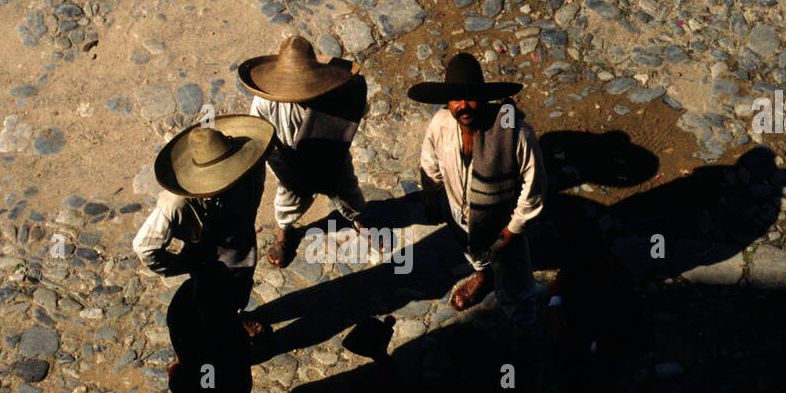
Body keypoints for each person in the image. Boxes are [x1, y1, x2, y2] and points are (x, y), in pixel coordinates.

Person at [409, 53, 546, 323]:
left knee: (514, 275)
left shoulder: (515, 133)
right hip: (458, 214)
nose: (463, 106)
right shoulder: (440, 124)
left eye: (470, 97)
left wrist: (513, 228)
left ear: (483, 98)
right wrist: (432, 199)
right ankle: (483, 276)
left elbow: (534, 187)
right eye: (456, 99)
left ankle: (521, 323)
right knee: (473, 253)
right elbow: (430, 163)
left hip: (501, 222)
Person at [238, 36, 376, 267]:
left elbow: (354, 111)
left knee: (347, 189)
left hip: (332, 155)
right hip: (289, 163)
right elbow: (259, 134)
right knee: (287, 200)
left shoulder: (337, 91)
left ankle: (359, 220)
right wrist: (281, 167)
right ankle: (284, 233)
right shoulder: (265, 102)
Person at [132, 115, 273, 337]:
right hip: (206, 262)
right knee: (212, 305)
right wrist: (181, 264)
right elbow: (145, 247)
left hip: (243, 248)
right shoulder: (176, 203)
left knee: (238, 291)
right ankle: (225, 333)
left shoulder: (250, 164)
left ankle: (233, 315)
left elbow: (255, 195)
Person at [165, 260, 271, 393]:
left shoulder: (197, 297)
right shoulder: (192, 328)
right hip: (215, 385)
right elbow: (182, 382)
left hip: (232, 371)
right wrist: (185, 379)